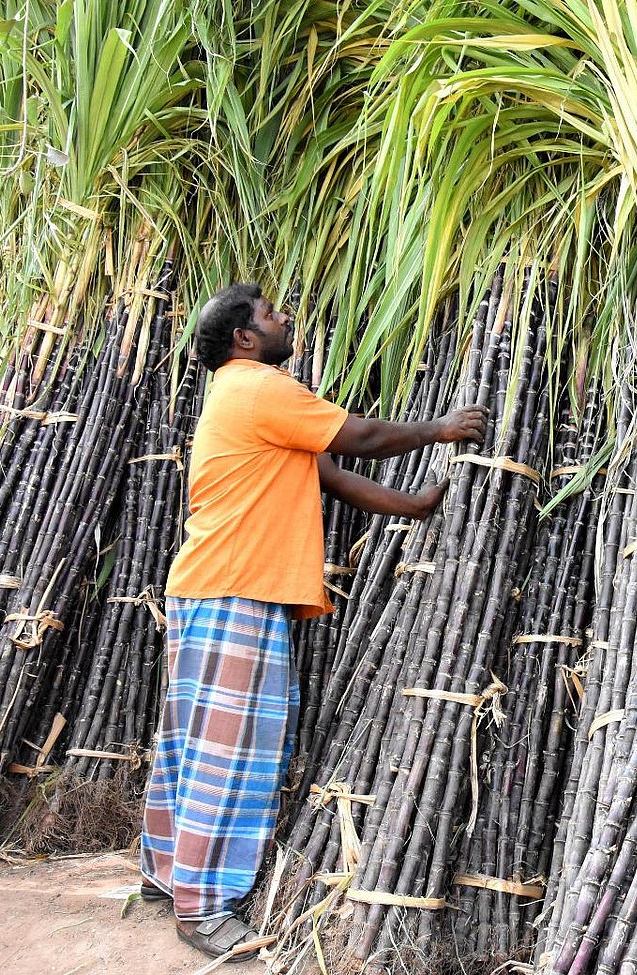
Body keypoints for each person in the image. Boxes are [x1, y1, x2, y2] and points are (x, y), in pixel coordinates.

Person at [137, 283, 487, 962]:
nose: (284, 318)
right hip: (233, 587)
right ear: (243, 336)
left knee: (195, 742)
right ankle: (203, 908)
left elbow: (326, 471)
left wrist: (412, 506)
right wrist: (439, 429)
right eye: (270, 314)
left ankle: (167, 874)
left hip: (218, 586)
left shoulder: (242, 398)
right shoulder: (257, 386)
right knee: (228, 751)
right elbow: (360, 437)